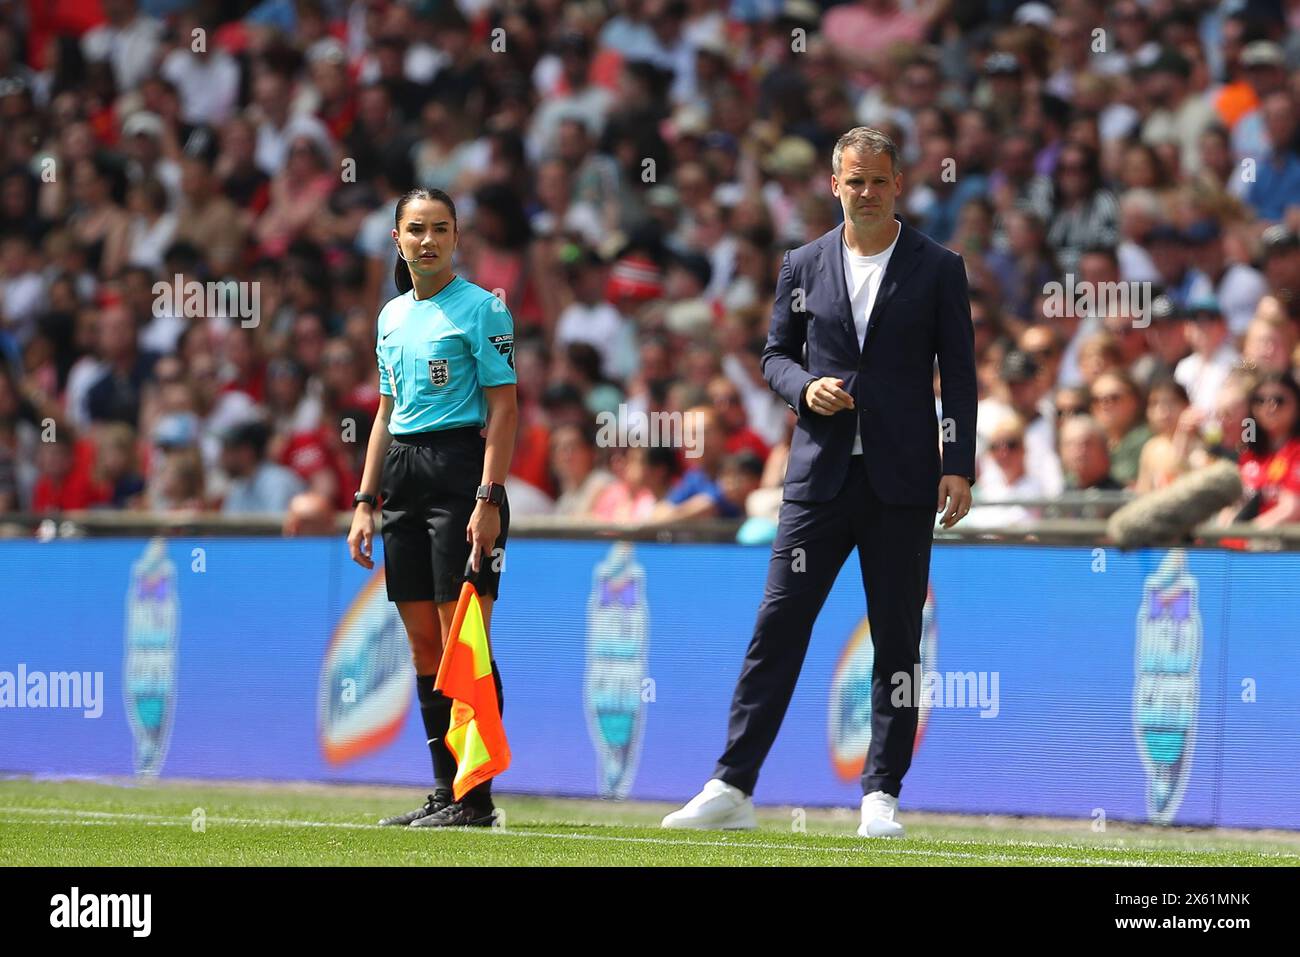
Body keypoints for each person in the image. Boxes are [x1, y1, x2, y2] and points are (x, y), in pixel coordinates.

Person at [662, 127, 976, 838]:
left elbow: (958, 376)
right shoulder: (802, 262)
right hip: (818, 477)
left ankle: (881, 795)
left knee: (896, 638)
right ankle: (732, 783)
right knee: (778, 625)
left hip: (902, 480)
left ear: (899, 183)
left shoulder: (938, 266)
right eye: (852, 180)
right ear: (833, 184)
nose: (865, 192)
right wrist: (806, 389)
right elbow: (775, 354)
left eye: (877, 180)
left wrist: (958, 462)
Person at [347, 186, 518, 828]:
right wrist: (366, 500)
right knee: (422, 642)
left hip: (458, 474)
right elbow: (386, 414)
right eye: (416, 229)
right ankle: (445, 790)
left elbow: (504, 407)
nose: (428, 240)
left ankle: (479, 800)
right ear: (398, 239)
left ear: (456, 237)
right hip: (403, 480)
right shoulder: (390, 317)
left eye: (440, 229)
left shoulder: (482, 310)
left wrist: (489, 496)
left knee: (460, 638)